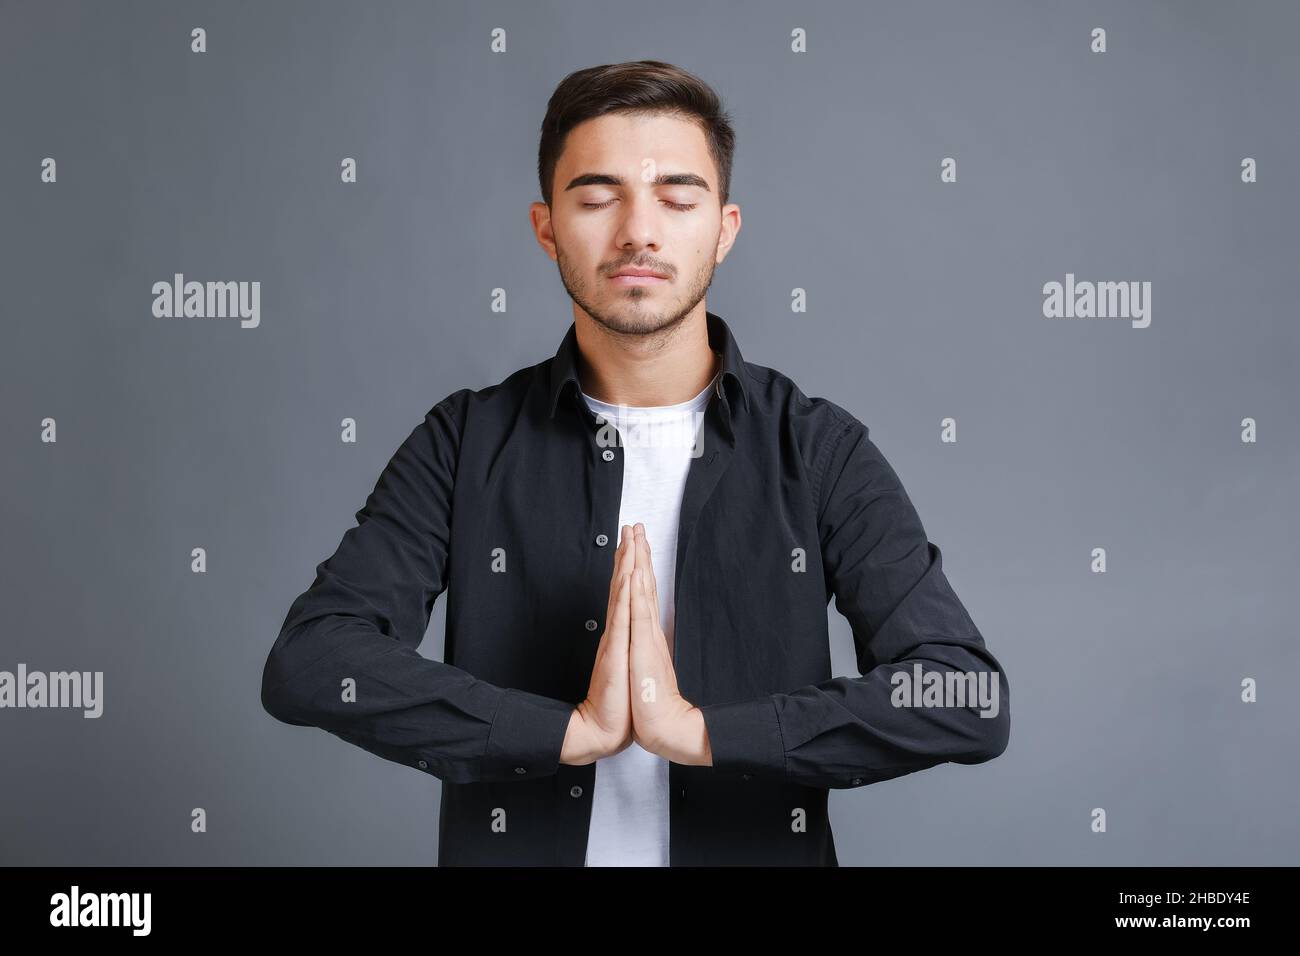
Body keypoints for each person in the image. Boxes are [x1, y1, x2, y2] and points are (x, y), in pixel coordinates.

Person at [260, 60, 1010, 866]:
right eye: (597, 198)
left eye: (677, 200)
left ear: (723, 228)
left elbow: (966, 696)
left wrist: (704, 734)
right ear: (547, 227)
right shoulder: (465, 441)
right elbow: (312, 660)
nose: (637, 233)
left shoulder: (817, 450)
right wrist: (562, 733)